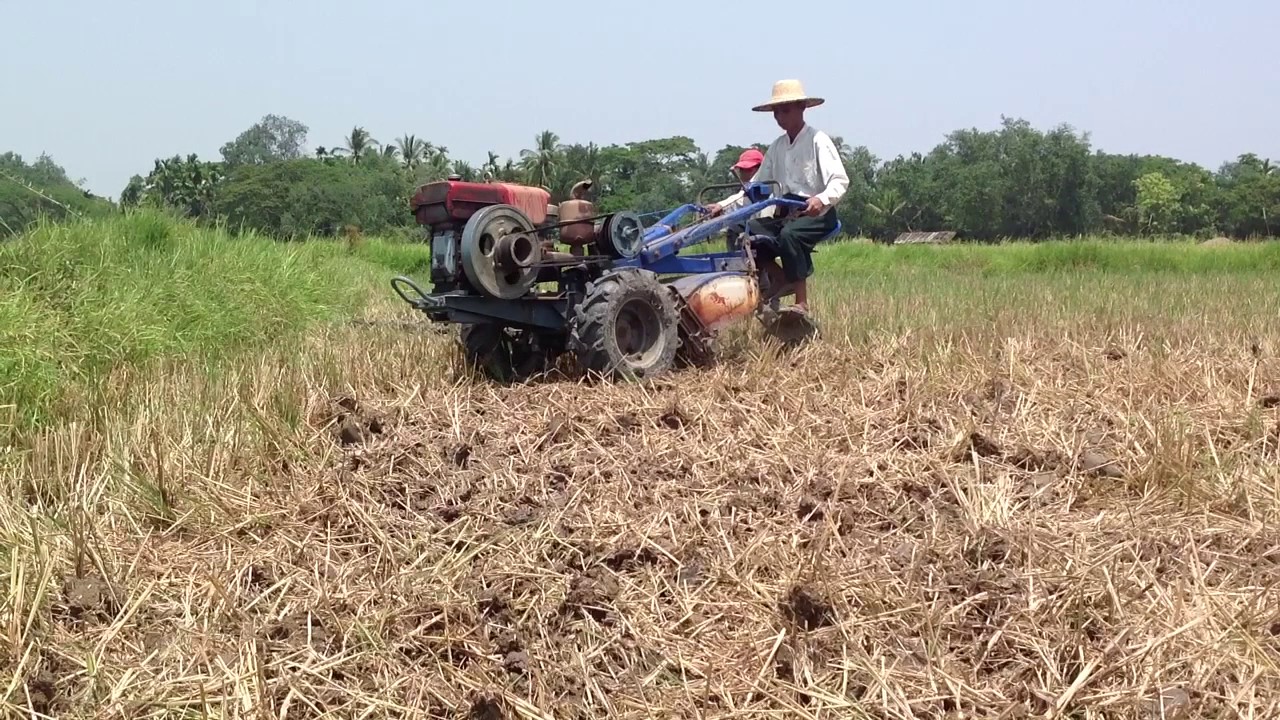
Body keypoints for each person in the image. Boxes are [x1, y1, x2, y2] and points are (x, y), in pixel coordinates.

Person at [704, 79, 849, 313]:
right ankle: (781, 279)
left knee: (790, 236)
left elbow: (840, 180)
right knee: (748, 235)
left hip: (818, 213)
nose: (780, 116)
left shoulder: (818, 141)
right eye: (776, 112)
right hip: (785, 212)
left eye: (785, 110)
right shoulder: (776, 148)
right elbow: (753, 188)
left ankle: (801, 302)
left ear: (802, 108)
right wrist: (721, 206)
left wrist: (820, 200)